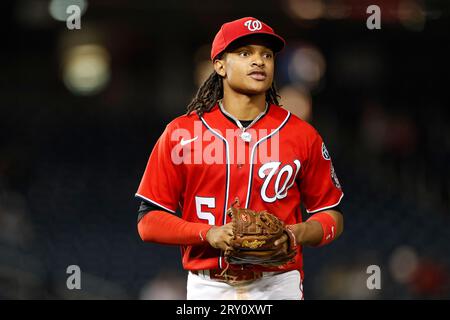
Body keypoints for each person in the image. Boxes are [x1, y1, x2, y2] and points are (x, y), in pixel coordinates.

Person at [135, 17, 344, 300]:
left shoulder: (302, 134)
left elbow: (332, 215)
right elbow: (148, 222)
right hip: (208, 286)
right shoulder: (181, 133)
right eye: (245, 53)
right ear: (219, 65)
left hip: (278, 283)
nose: (258, 61)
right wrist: (208, 234)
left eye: (266, 55)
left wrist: (299, 232)